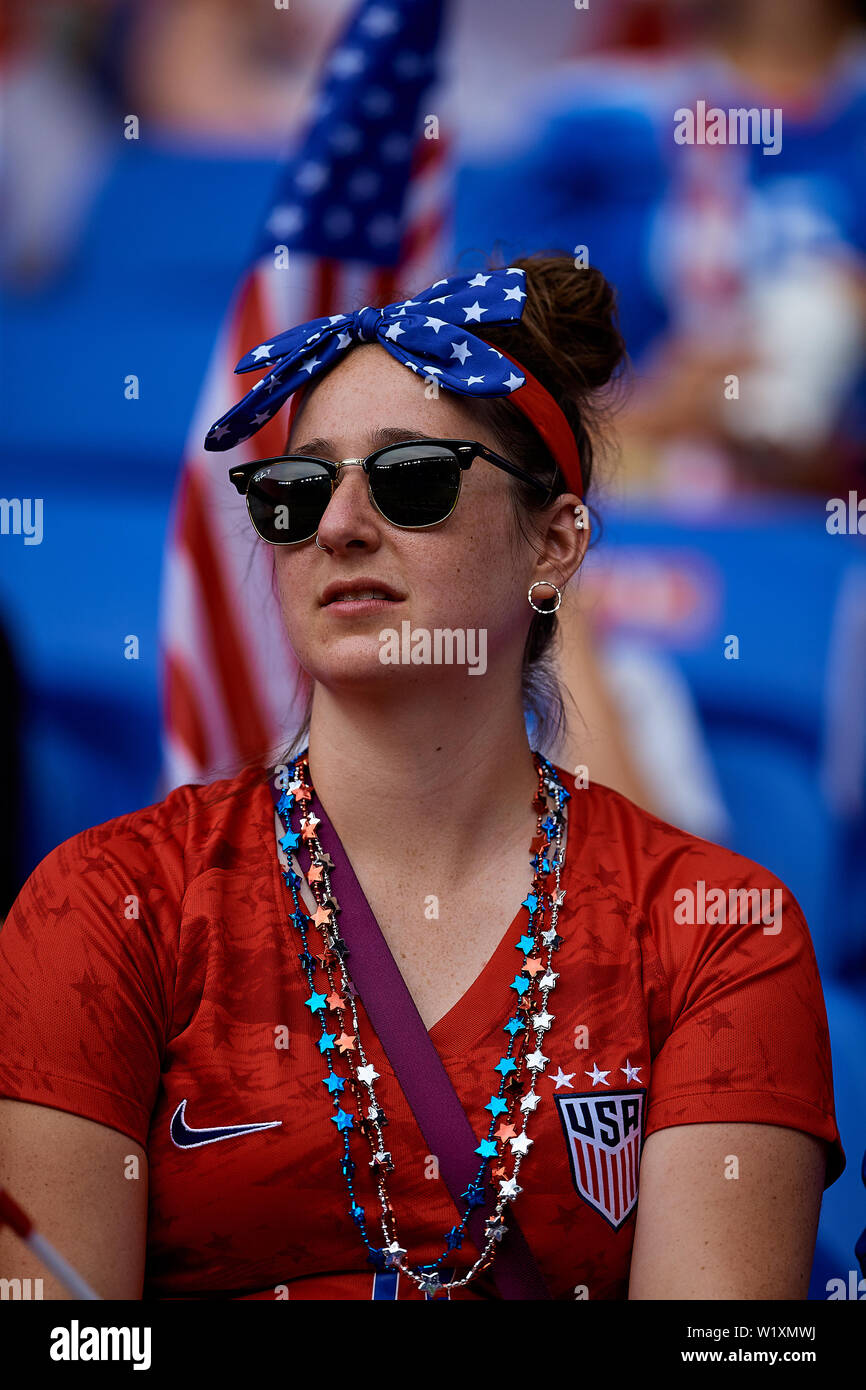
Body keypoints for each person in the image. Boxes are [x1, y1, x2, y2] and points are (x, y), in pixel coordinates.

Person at [0, 255, 845, 1300]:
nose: (340, 525)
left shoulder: (719, 928)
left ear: (554, 544)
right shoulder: (101, 904)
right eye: (295, 489)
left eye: (412, 479)